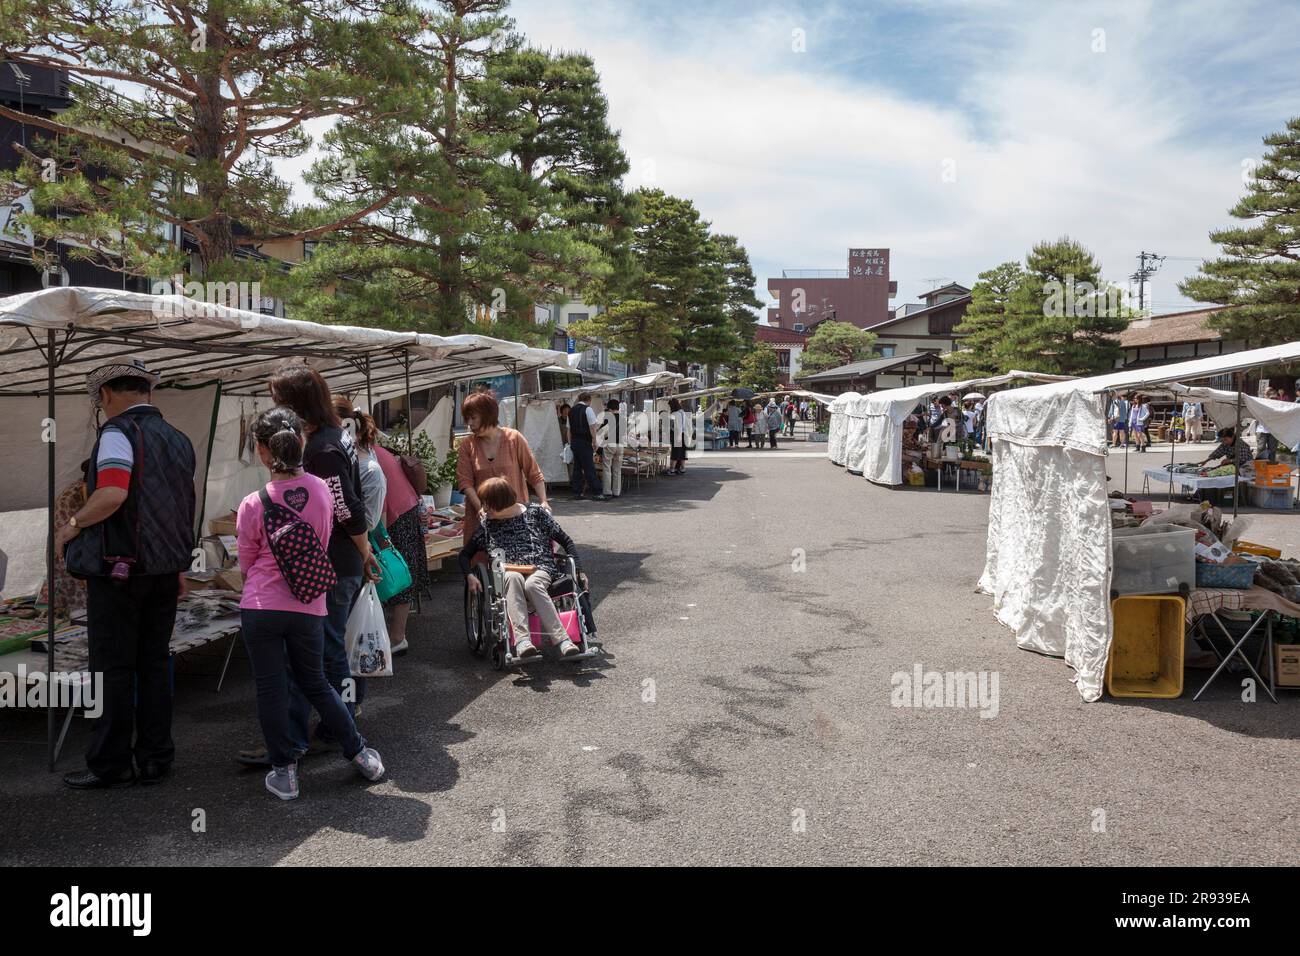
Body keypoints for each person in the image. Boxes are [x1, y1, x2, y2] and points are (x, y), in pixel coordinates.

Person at [57, 359, 196, 789]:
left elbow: (114, 492)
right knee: (153, 663)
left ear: (105, 396)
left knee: (111, 668)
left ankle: (110, 763)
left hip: (121, 572)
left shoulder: (117, 433)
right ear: (148, 393)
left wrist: (73, 524)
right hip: (164, 568)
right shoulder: (179, 439)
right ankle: (155, 758)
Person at [236, 408, 385, 800]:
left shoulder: (252, 503)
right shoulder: (321, 489)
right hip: (309, 605)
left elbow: (247, 562)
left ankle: (284, 774)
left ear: (263, 451)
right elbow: (324, 539)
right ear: (299, 442)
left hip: (261, 606)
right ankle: (360, 754)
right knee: (317, 683)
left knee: (271, 690)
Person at [460, 477, 586, 659]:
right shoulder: (488, 526)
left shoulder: (536, 513)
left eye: (487, 505)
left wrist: (579, 569)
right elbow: (464, 555)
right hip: (508, 571)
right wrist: (469, 576)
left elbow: (566, 541)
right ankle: (522, 641)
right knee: (513, 577)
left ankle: (563, 640)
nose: (484, 510)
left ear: (501, 503)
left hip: (540, 569)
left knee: (532, 584)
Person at [457, 391, 553, 546]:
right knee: (481, 563)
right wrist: (480, 508)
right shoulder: (467, 445)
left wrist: (544, 501)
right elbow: (465, 482)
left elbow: (533, 473)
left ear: (487, 415)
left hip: (515, 515)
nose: (470, 423)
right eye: (467, 418)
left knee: (518, 562)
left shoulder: (514, 438)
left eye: (473, 417)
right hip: (483, 519)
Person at [41, 460, 90, 617]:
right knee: (78, 611)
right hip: (70, 553)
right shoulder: (81, 490)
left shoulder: (80, 487)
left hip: (69, 550)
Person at [568, 392, 609, 501]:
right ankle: (597, 492)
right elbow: (592, 427)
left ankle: (577, 492)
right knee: (589, 467)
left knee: (577, 468)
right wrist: (594, 441)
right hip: (584, 441)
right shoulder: (588, 409)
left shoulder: (571, 411)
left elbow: (569, 429)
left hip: (575, 442)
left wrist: (570, 442)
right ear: (589, 400)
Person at [600, 398, 626, 498]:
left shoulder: (607, 417)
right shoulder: (623, 418)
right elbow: (624, 432)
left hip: (609, 444)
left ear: (609, 408)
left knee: (607, 468)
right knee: (617, 470)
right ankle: (616, 492)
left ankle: (607, 492)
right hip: (620, 445)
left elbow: (602, 431)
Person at [668, 398, 690, 473]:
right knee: (682, 452)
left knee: (675, 452)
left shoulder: (675, 414)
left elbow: (678, 426)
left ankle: (672, 469)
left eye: (670, 406)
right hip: (684, 434)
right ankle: (682, 468)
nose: (670, 408)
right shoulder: (682, 412)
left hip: (678, 434)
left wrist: (678, 435)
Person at [1256, 389, 1278, 462]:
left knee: (1272, 449)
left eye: (1275, 398)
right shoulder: (1261, 403)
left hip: (1273, 430)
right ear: (1266, 396)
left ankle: (1271, 465)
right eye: (1272, 398)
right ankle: (1259, 465)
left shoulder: (1278, 404)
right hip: (1262, 429)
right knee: (1261, 448)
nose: (1274, 399)